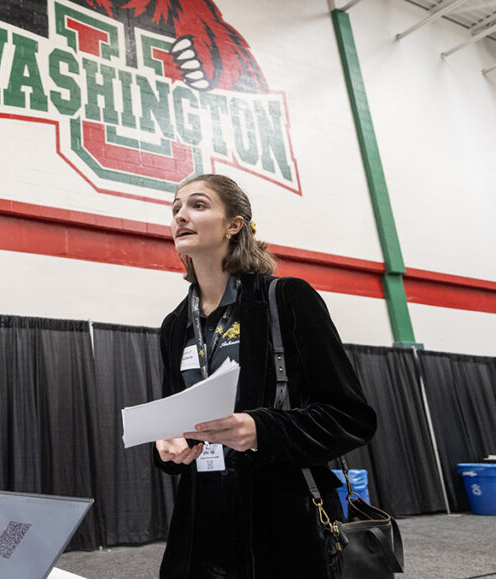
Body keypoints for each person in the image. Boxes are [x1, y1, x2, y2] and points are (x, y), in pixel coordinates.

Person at [152, 174, 377, 578]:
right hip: (200, 529)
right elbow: (177, 422)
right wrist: (168, 447)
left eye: (198, 205)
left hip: (283, 528)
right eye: (176, 209)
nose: (181, 215)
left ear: (234, 224)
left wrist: (261, 429)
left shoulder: (287, 298)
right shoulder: (175, 325)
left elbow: (350, 416)